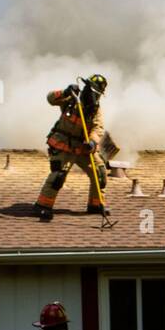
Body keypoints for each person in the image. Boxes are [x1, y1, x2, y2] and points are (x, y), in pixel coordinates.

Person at [34, 74, 108, 221]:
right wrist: (65, 92)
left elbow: (97, 128)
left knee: (99, 173)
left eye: (94, 91)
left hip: (83, 148)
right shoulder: (71, 99)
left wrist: (92, 142)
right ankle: (43, 206)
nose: (90, 93)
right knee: (58, 177)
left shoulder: (95, 110)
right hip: (63, 146)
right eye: (89, 88)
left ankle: (95, 204)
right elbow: (50, 99)